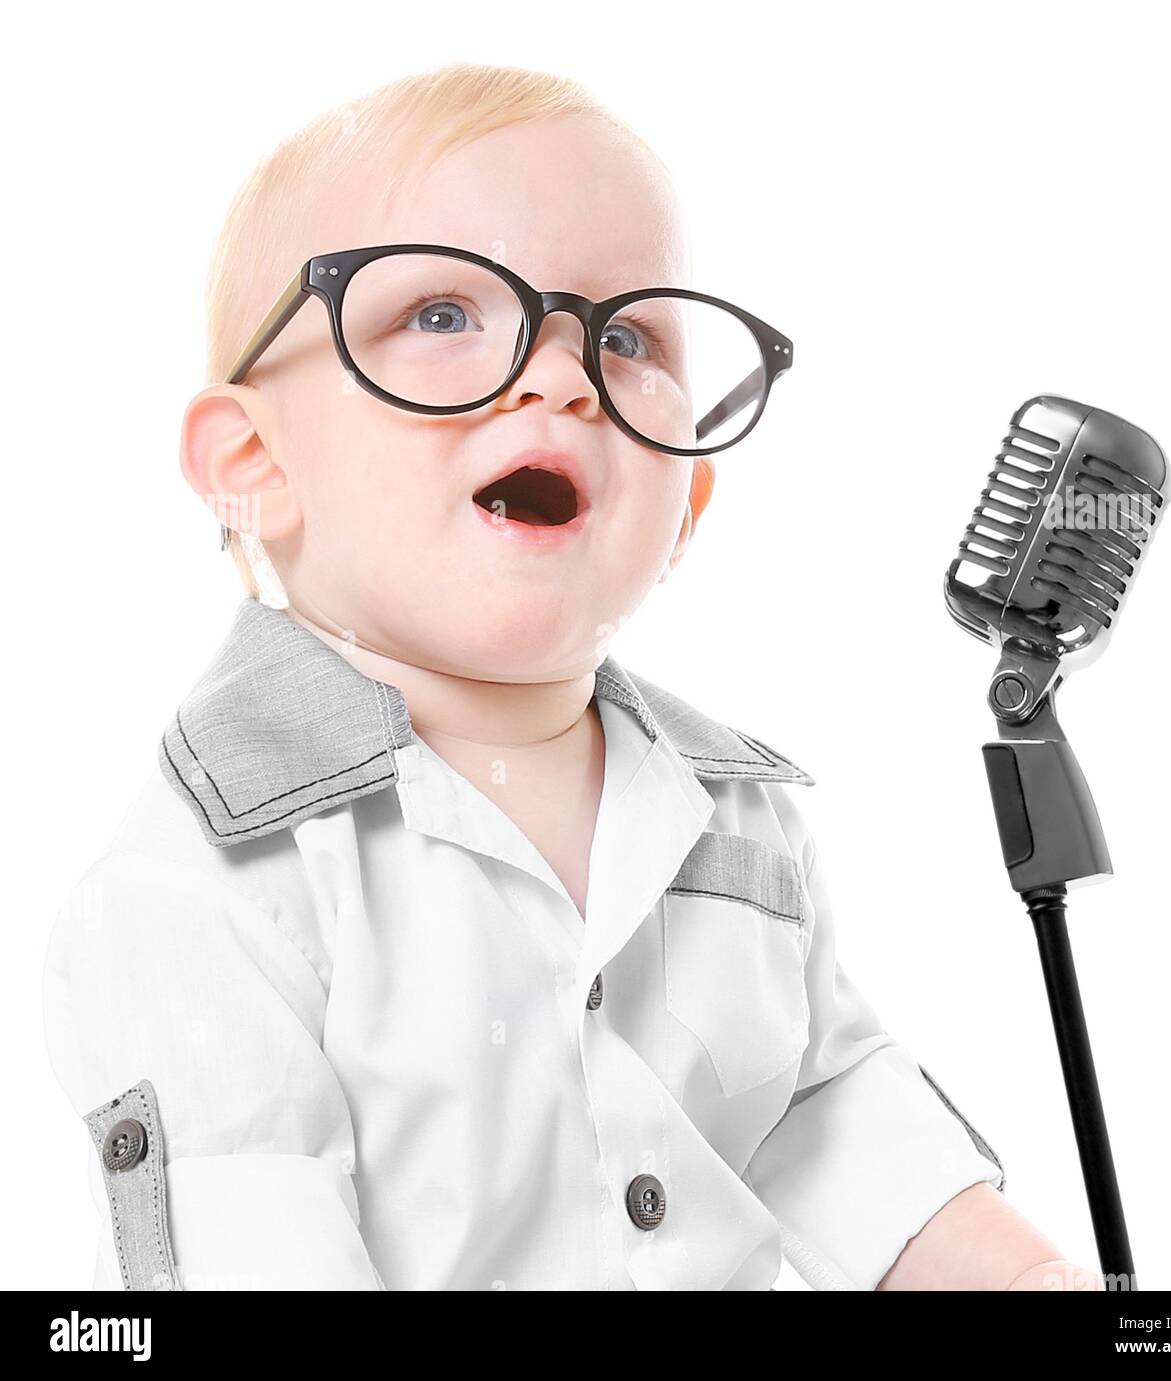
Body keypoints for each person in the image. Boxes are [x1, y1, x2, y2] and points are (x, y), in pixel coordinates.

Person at [42, 62, 1100, 1291]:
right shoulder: (209, 882)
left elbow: (826, 1119)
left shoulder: (740, 826)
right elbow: (249, 1232)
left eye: (627, 335)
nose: (562, 376)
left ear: (685, 507)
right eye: (441, 314)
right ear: (253, 464)